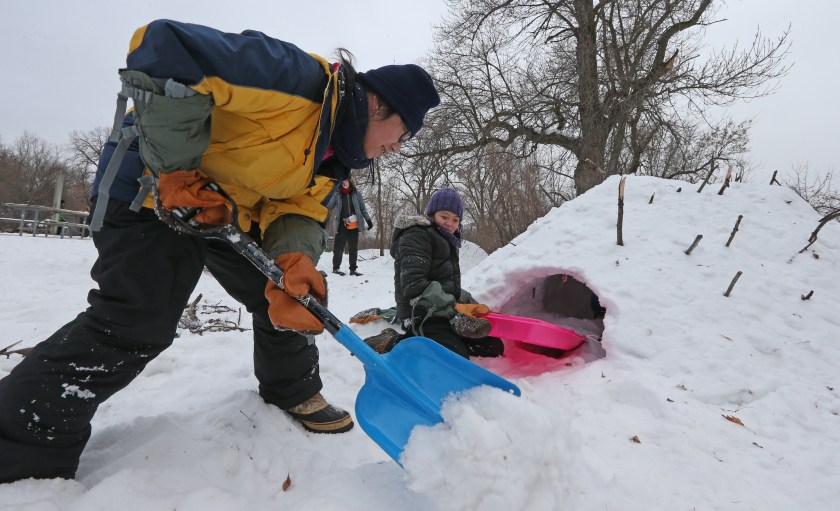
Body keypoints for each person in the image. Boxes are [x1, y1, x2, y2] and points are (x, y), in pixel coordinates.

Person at [0, 19, 439, 483]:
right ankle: (22, 443)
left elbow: (298, 212)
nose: (397, 148)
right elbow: (167, 47)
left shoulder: (337, 158)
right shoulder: (297, 81)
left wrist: (294, 260)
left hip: (221, 210)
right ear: (377, 104)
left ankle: (292, 389)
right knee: (136, 320)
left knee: (291, 296)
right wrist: (176, 169)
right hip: (150, 187)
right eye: (403, 133)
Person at [363, 188, 504, 359]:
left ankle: (449, 340)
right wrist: (454, 306)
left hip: (442, 311)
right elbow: (414, 285)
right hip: (421, 313)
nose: (450, 223)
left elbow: (445, 283)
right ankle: (392, 340)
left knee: (492, 346)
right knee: (453, 356)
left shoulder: (447, 241)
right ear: (431, 214)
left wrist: (468, 301)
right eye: (444, 217)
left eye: (455, 219)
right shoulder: (417, 236)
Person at [326, 178, 373, 276]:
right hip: (341, 225)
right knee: (338, 247)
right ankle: (336, 268)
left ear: (350, 182)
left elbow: (363, 209)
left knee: (353, 248)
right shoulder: (337, 194)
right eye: (342, 181)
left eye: (346, 181)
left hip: (354, 225)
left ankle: (353, 270)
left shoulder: (357, 194)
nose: (344, 183)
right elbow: (329, 206)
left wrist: (368, 220)